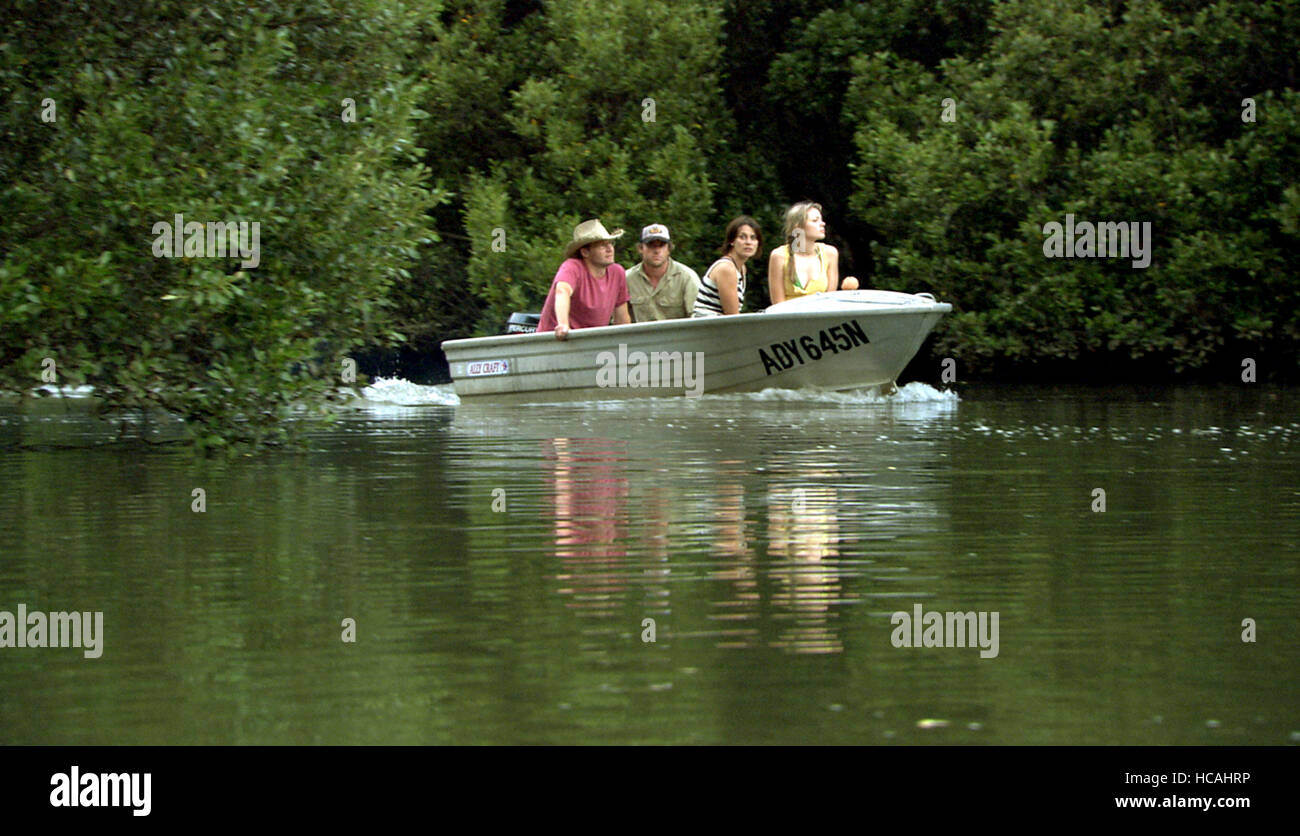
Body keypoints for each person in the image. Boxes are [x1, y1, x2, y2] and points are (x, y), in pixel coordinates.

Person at [538, 219, 631, 340]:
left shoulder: (617, 272)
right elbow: (562, 291)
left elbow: (622, 319)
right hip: (556, 342)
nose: (610, 249)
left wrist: (628, 343)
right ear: (585, 252)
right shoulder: (572, 267)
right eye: (602, 245)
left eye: (611, 243)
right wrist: (563, 325)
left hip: (590, 343)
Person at [767, 202, 859, 305]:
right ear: (798, 226)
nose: (822, 223)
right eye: (815, 220)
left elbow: (830, 302)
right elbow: (777, 306)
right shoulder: (779, 256)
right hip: (788, 319)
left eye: (821, 219)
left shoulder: (830, 254)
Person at [624, 223, 699, 322]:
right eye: (651, 245)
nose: (657, 250)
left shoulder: (687, 277)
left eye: (662, 245)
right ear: (641, 248)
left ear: (669, 249)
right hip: (640, 337)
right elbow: (618, 318)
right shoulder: (627, 279)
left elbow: (697, 316)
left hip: (678, 336)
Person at [693, 215, 762, 317]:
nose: (748, 242)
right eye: (742, 237)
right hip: (706, 327)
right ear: (732, 241)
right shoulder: (726, 268)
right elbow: (732, 316)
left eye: (753, 238)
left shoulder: (741, 268)